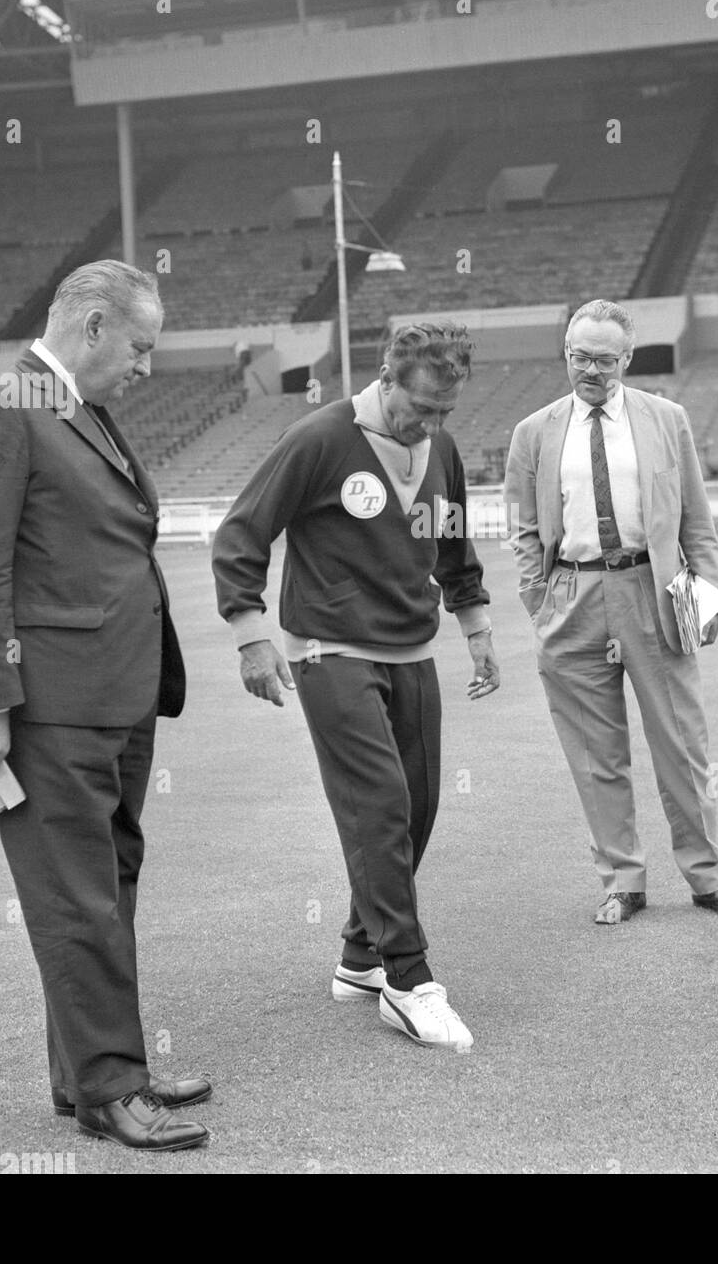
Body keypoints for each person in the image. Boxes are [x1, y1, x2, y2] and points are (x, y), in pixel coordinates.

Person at [0, 260, 209, 1150]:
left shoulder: (76, 406)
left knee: (107, 888)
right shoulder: (3, 404)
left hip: (116, 696)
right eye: (139, 347)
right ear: (93, 327)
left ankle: (83, 1071)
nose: (145, 366)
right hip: (49, 708)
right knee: (78, 901)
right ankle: (110, 1090)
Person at [212, 320, 499, 1052]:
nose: (430, 423)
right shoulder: (319, 438)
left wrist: (475, 627)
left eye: (444, 412)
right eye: (421, 407)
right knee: (379, 803)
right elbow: (242, 533)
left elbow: (452, 544)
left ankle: (360, 955)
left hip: (411, 648)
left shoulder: (442, 448)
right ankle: (408, 979)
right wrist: (250, 636)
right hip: (328, 648)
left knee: (419, 804)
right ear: (387, 377)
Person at [504, 299, 718, 925]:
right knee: (596, 755)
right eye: (578, 357)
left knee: (682, 744)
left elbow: (696, 519)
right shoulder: (533, 432)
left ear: (627, 358)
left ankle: (708, 878)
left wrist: (708, 598)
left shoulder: (666, 419)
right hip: (573, 596)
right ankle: (623, 881)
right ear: (566, 354)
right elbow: (524, 529)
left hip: (654, 592)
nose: (590, 370)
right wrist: (541, 600)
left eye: (603, 359)